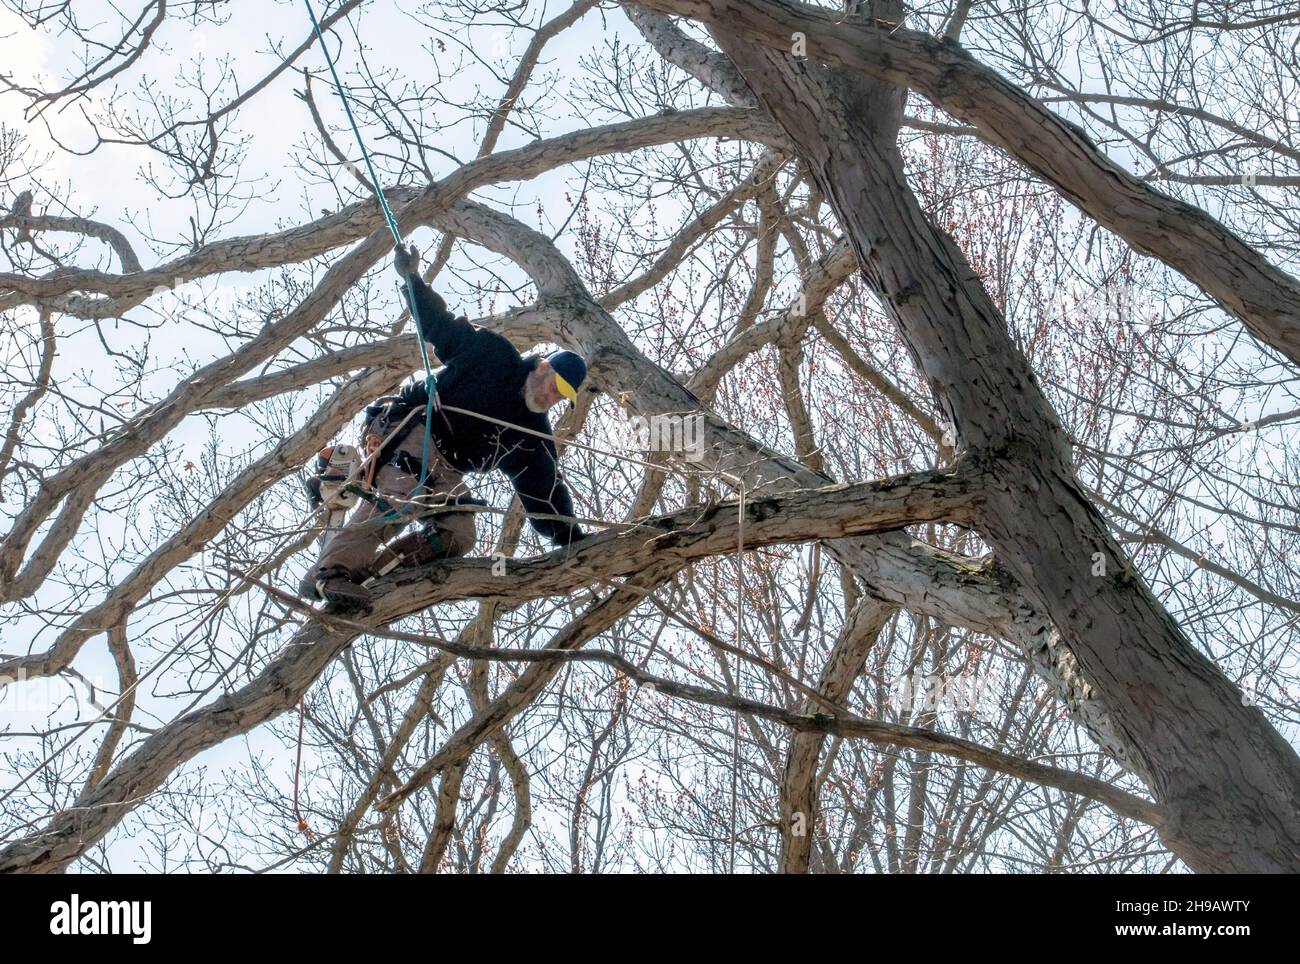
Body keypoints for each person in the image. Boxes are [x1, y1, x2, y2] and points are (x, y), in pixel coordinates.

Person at [301, 243, 588, 608]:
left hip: (446, 467)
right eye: (555, 387)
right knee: (402, 491)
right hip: (414, 424)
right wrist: (412, 279)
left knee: (459, 534)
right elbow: (441, 325)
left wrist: (574, 541)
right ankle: (329, 575)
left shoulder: (531, 436)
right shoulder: (493, 356)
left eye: (563, 396)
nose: (553, 398)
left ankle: (371, 574)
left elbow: (545, 491)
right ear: (543, 367)